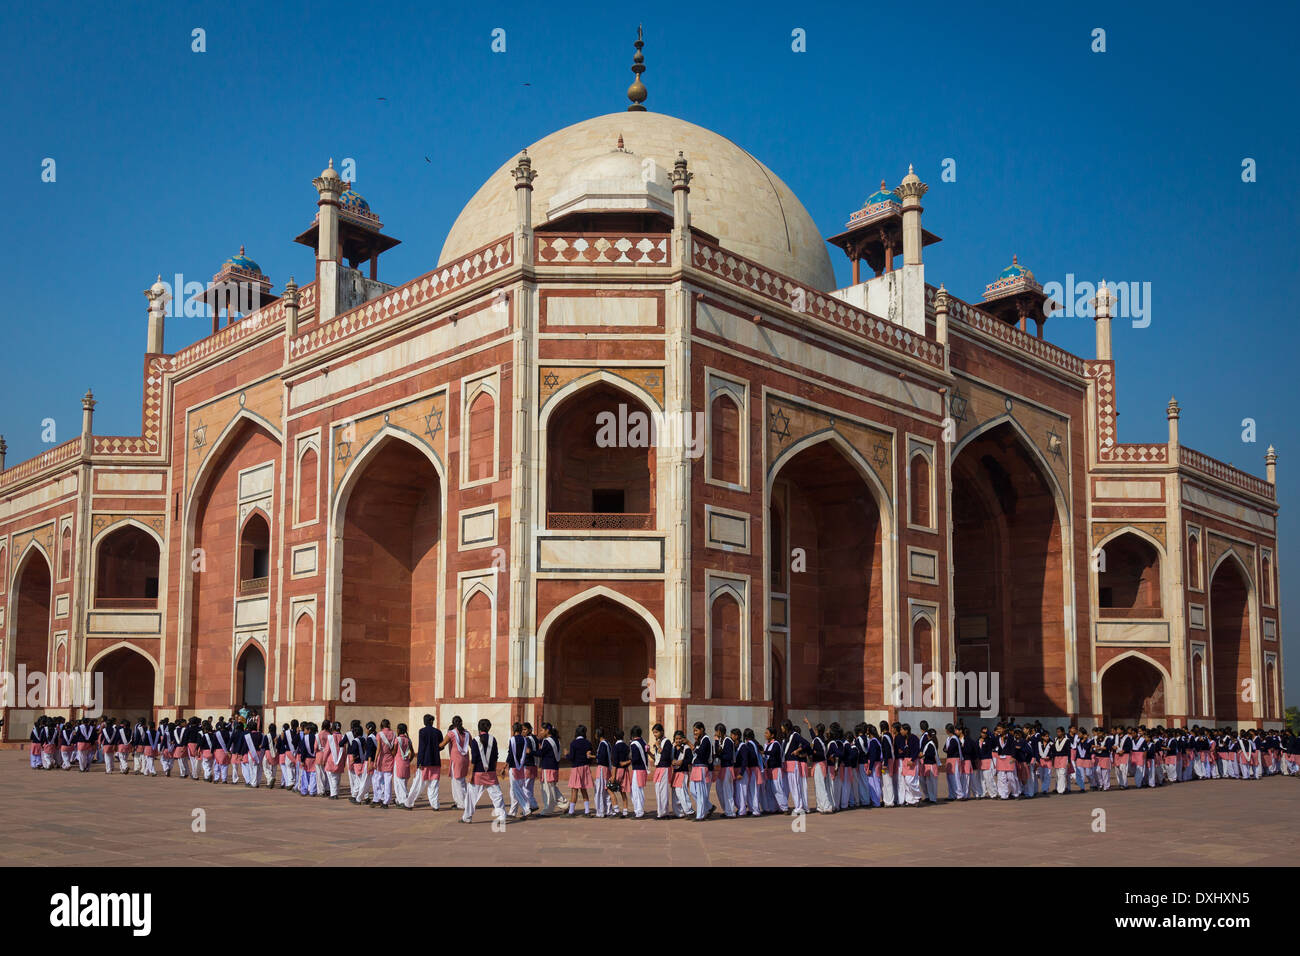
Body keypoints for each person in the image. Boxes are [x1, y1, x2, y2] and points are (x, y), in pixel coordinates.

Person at [462, 719, 507, 824]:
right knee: (497, 795)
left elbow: (474, 759)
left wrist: (470, 774)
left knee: (471, 796)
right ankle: (502, 816)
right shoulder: (493, 739)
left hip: (478, 772)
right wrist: (494, 769)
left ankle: (467, 817)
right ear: (489, 728)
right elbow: (495, 756)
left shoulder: (475, 741)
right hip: (490, 772)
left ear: (479, 728)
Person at [406, 713, 445, 810]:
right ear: (432, 721)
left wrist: (419, 762)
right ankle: (435, 805)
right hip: (435, 761)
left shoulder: (422, 731)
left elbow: (422, 747)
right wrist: (435, 750)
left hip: (424, 762)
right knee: (434, 784)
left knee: (418, 784)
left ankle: (409, 803)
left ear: (425, 722)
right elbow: (442, 746)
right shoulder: (438, 732)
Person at [506, 722, 534, 819]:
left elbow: (510, 754)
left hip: (513, 767)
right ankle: (513, 811)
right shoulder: (524, 740)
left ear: (514, 729)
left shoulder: (512, 739)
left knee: (516, 789)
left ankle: (526, 809)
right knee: (515, 789)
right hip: (521, 767)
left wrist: (506, 764)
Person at [536, 723, 564, 816]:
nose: (540, 732)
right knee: (552, 788)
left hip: (547, 767)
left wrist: (530, 752)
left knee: (548, 789)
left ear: (547, 731)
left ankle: (548, 809)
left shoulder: (547, 741)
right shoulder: (556, 740)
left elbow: (541, 753)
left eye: (542, 730)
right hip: (554, 767)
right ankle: (564, 804)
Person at [567, 725, 595, 817]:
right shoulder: (588, 743)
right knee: (584, 789)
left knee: (574, 790)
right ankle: (587, 811)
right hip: (585, 767)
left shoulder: (573, 743)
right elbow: (590, 756)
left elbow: (571, 757)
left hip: (576, 767)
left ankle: (571, 811)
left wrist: (566, 755)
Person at [689, 722, 715, 821]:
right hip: (695, 767)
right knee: (692, 790)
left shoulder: (706, 740)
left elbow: (701, 754)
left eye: (696, 730)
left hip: (702, 767)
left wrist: (690, 745)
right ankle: (709, 806)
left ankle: (700, 815)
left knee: (700, 792)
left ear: (702, 729)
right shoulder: (699, 741)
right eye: (694, 731)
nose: (695, 733)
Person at [446, 716, 471, 810]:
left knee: (457, 782)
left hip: (456, 759)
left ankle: (462, 803)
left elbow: (442, 744)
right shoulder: (467, 733)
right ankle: (460, 801)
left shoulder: (452, 733)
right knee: (461, 781)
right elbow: (472, 745)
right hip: (465, 758)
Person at [626, 726, 650, 819]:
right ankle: (639, 810)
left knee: (636, 791)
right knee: (639, 790)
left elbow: (635, 758)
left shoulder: (634, 744)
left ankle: (639, 811)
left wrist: (629, 759)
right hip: (643, 769)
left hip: (638, 769)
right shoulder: (643, 742)